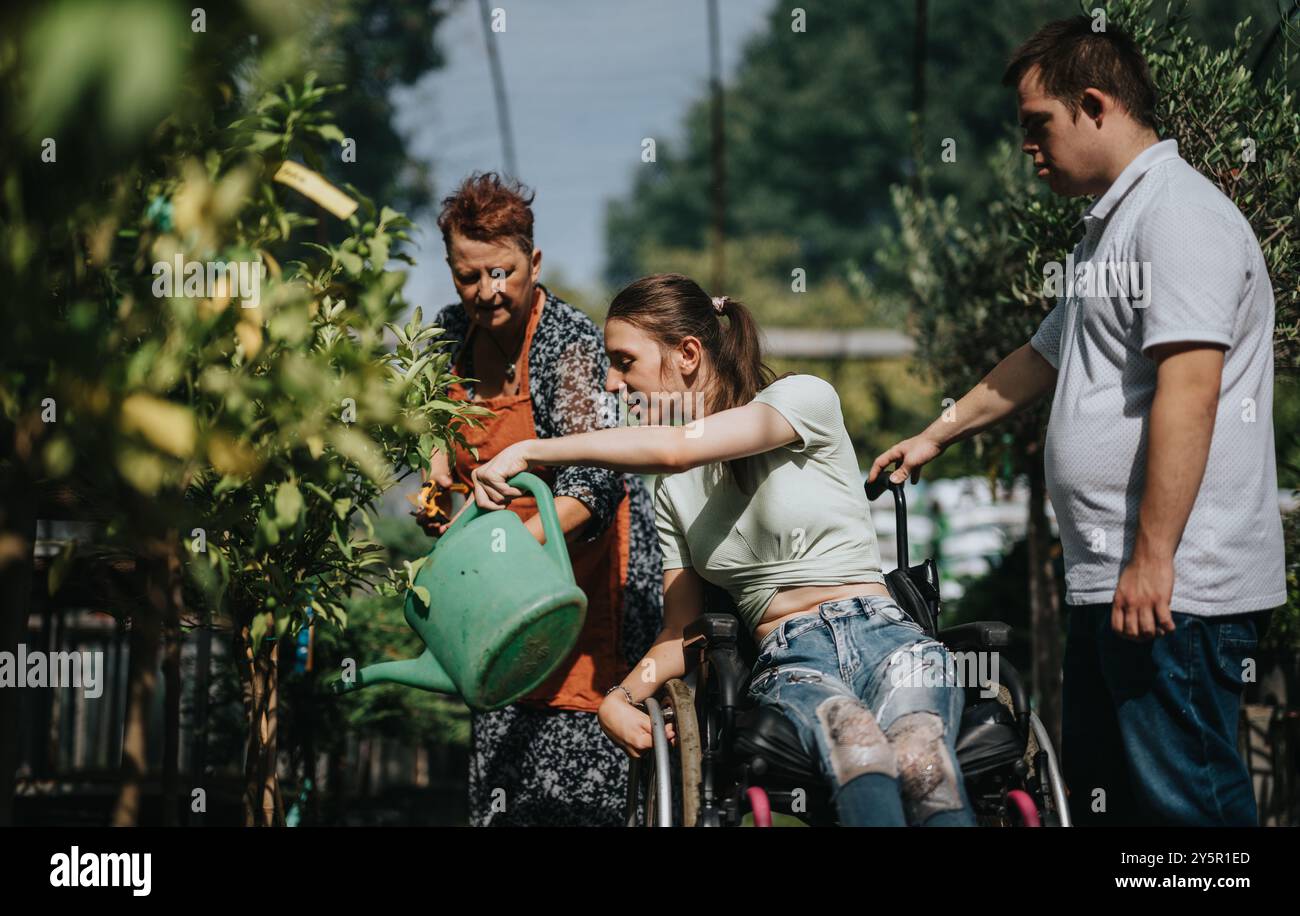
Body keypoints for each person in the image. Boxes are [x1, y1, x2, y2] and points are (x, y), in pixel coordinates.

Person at [869, 17, 1286, 826]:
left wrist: (1153, 558)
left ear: (1094, 104)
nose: (1028, 148)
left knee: (1187, 810)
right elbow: (1044, 357)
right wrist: (936, 434)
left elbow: (1191, 390)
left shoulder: (1178, 216)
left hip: (1176, 588)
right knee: (1118, 808)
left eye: (1038, 126)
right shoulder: (1110, 229)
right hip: (1121, 581)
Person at [469, 273, 977, 826]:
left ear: (687, 353)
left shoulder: (802, 399)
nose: (611, 384)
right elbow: (679, 634)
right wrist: (619, 696)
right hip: (793, 656)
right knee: (858, 748)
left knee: (920, 759)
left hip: (886, 632)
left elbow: (675, 449)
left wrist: (529, 450)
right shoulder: (672, 492)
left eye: (624, 361)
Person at [418, 172, 662, 826]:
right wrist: (434, 467)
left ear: (534, 261)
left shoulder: (570, 347)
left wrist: (503, 558)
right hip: (500, 614)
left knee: (576, 798)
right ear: (451, 271)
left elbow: (594, 484)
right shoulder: (448, 339)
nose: (487, 292)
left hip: (585, 600)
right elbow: (430, 429)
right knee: (502, 796)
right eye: (469, 277)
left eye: (502, 272)